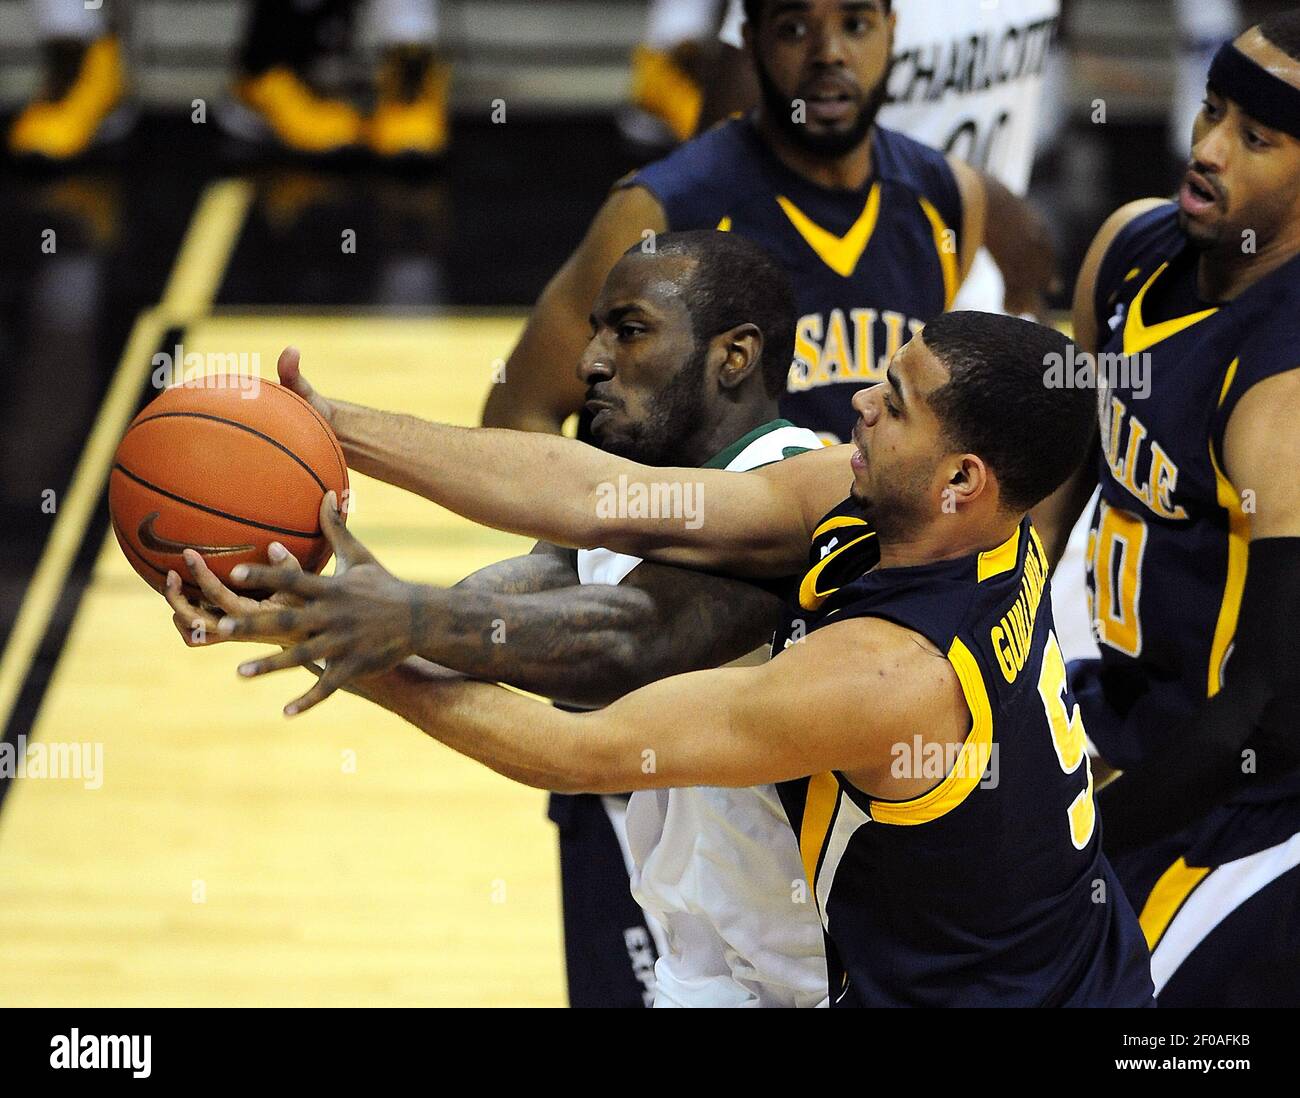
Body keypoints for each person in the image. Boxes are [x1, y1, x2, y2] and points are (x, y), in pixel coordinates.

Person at [216, 310, 1155, 1007]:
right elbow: (611, 497)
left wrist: (336, 637)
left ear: (961, 480)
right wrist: (334, 431)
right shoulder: (937, 517)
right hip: (1073, 953)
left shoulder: (891, 678)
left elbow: (581, 754)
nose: (861, 403)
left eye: (895, 405)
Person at [164, 231, 829, 1008]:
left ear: (734, 356)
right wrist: (296, 612)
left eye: (630, 329)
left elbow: (626, 638)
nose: (589, 363)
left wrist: (400, 616)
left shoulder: (789, 506)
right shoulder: (642, 501)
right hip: (712, 970)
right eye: (594, 332)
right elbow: (473, 634)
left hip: (826, 977)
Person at [1032, 11, 1300, 1005]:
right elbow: (1056, 483)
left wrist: (1085, 830)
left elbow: (1271, 707)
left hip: (1244, 803)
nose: (1206, 149)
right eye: (1212, 110)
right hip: (1117, 721)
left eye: (1256, 138)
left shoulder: (1281, 386)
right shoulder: (1127, 249)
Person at [482, 0, 1055, 444]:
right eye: (794, 29)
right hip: (710, 579)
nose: (829, 52)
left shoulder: (949, 198)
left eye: (855, 24)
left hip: (862, 583)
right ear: (750, 40)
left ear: (892, 31)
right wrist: (604, 545)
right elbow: (517, 410)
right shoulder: (664, 210)